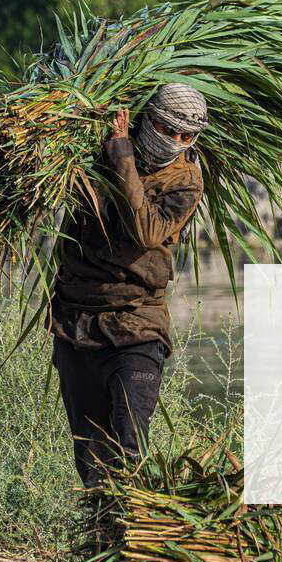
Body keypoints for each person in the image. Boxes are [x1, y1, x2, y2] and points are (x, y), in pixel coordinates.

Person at [48, 83, 208, 486]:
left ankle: (136, 535)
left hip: (136, 327)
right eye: (165, 128)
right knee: (90, 454)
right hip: (77, 323)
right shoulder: (90, 155)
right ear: (144, 118)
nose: (174, 141)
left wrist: (122, 155)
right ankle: (103, 542)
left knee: (130, 446)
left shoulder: (185, 181)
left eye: (185, 136)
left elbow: (147, 231)